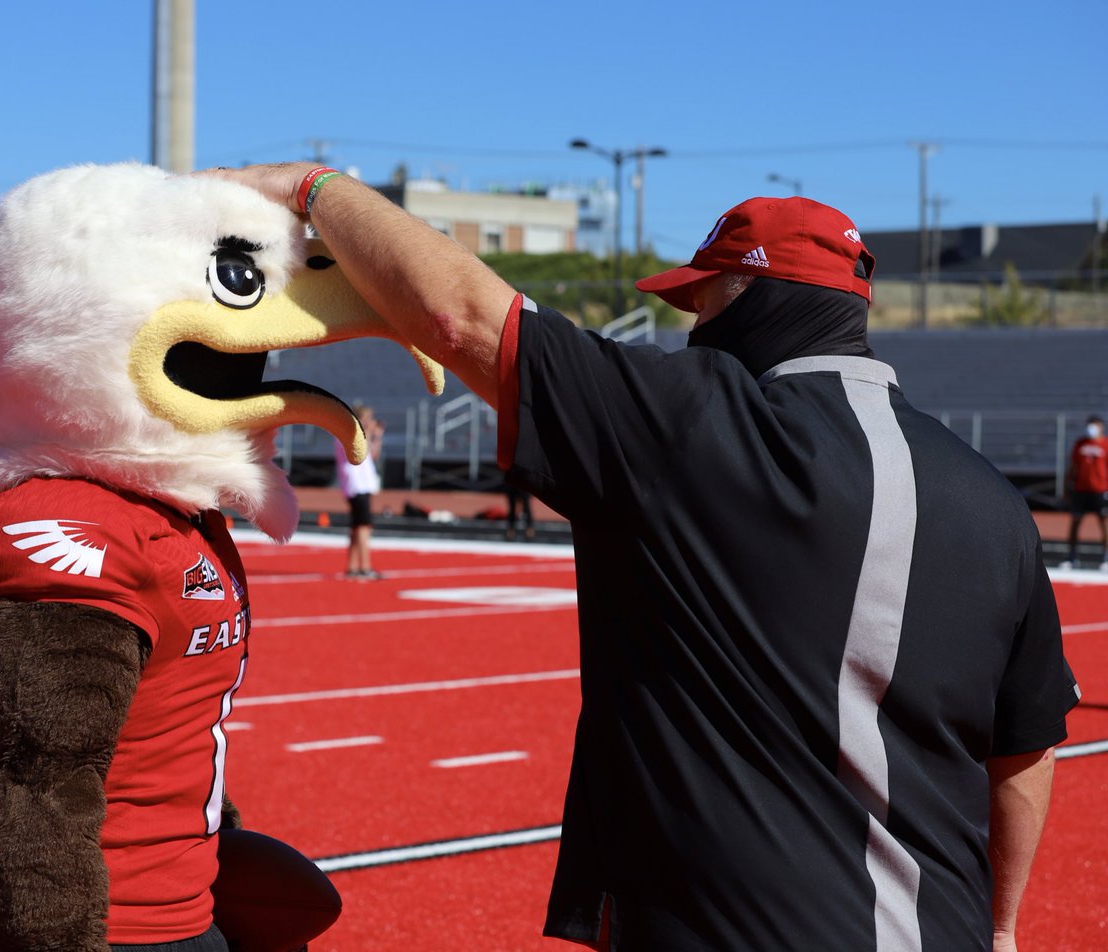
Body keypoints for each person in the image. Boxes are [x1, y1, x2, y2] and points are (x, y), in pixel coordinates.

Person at [208, 164, 1079, 952]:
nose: (691, 322)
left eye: (701, 300)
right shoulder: (997, 502)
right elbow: (1026, 750)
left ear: (747, 291)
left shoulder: (694, 421)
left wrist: (313, 185)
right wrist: (1002, 927)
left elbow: (460, 314)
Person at [334, 403, 384, 579]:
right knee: (363, 526)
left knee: (357, 527)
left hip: (363, 484)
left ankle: (352, 566)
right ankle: (365, 566)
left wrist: (376, 437)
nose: (370, 422)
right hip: (356, 485)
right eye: (367, 419)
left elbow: (373, 455)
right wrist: (368, 433)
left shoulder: (362, 436)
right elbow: (357, 453)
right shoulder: (346, 434)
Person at [1058, 414, 1108, 570]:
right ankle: (1072, 557)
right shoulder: (1080, 444)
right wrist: (1067, 486)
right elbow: (1073, 466)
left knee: (1104, 523)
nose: (1091, 428)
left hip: (1100, 490)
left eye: (1095, 425)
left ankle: (1106, 558)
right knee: (1075, 522)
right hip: (1081, 490)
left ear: (1102, 427)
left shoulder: (1106, 445)